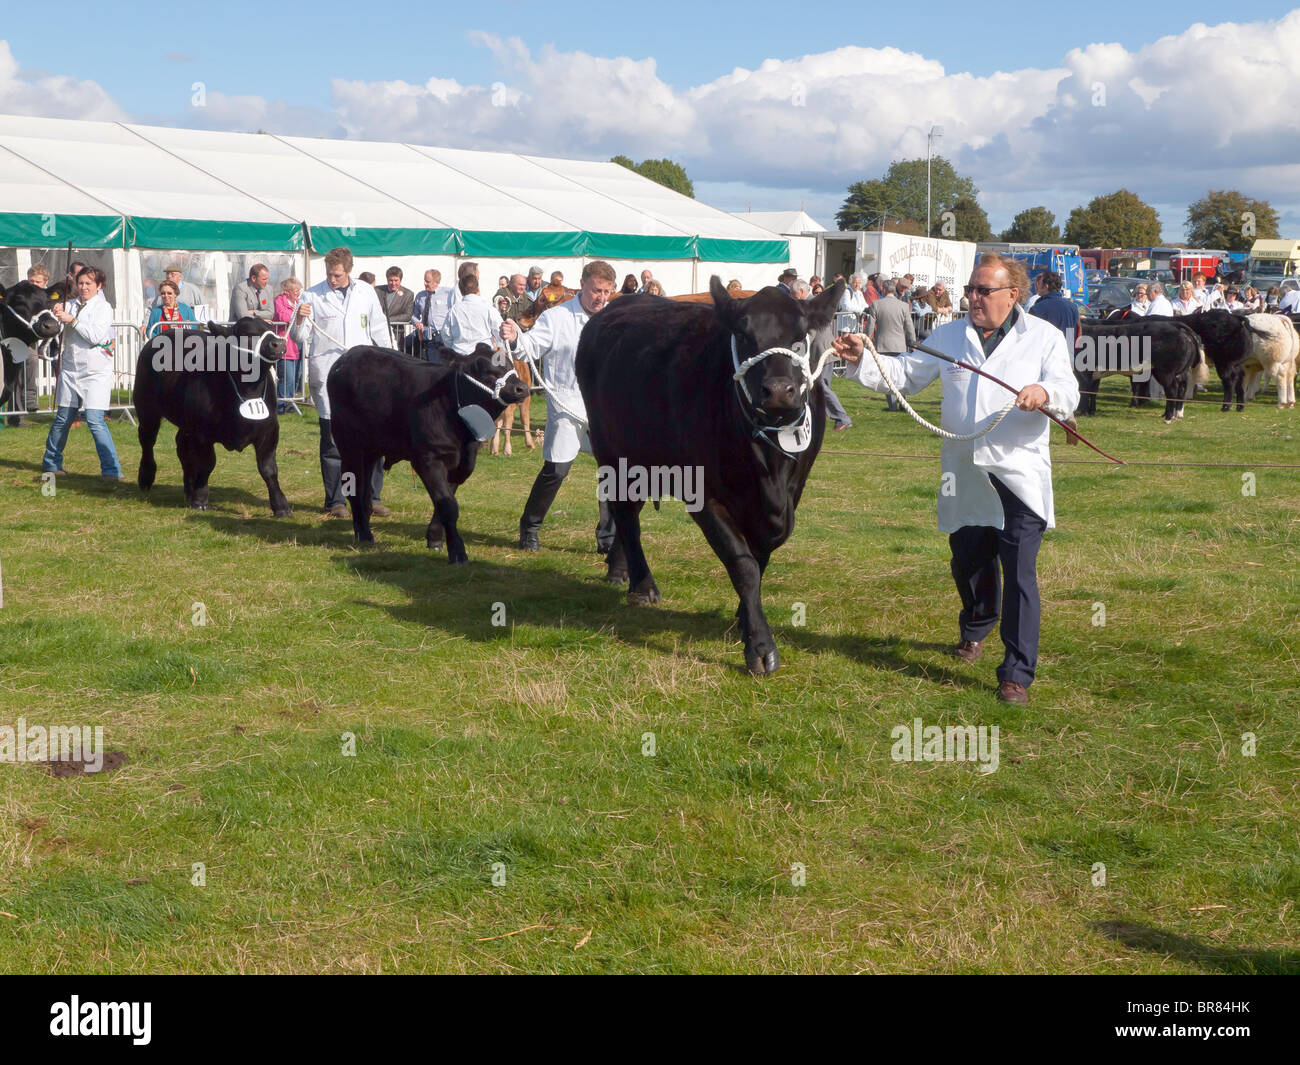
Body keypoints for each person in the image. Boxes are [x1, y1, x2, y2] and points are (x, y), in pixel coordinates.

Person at [832, 253, 1079, 705]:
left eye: (984, 290)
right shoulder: (949, 334)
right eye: (971, 288)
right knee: (968, 559)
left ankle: (1016, 675)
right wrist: (861, 360)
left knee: (1020, 572)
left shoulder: (1041, 337)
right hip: (962, 472)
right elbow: (905, 375)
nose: (973, 297)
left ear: (1013, 295)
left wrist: (1045, 392)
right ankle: (977, 625)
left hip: (1017, 473)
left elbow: (1068, 388)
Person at [502, 261, 618, 552]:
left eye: (605, 291)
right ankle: (530, 527)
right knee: (557, 469)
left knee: (613, 471)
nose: (600, 297)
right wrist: (516, 338)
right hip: (567, 403)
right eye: (595, 290)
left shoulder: (617, 318)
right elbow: (531, 347)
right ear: (582, 285)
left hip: (605, 407)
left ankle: (609, 538)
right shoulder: (557, 317)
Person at [290, 247, 393, 518]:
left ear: (348, 271)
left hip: (364, 376)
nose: (332, 279)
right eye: (329, 274)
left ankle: (373, 497)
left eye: (336, 274)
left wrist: (392, 362)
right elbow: (299, 336)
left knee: (373, 439)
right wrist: (300, 316)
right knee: (336, 442)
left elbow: (379, 328)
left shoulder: (366, 292)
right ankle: (337, 500)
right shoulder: (312, 294)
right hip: (329, 376)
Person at [42, 266, 124, 481]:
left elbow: (96, 336)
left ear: (99, 286)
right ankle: (51, 463)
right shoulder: (70, 304)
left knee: (95, 420)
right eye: (81, 283)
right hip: (70, 369)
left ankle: (111, 470)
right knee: (63, 418)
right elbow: (56, 329)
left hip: (95, 372)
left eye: (89, 283)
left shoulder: (104, 308)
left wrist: (72, 320)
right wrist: (56, 314)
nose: (84, 287)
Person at [864, 277, 916, 411]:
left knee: (887, 376)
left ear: (884, 290)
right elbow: (909, 327)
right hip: (900, 345)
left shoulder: (876, 304)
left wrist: (867, 341)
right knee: (901, 375)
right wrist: (913, 343)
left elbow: (870, 327)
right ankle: (903, 404)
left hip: (883, 345)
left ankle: (892, 406)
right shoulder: (904, 306)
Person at [440, 274, 503, 355]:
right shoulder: (488, 309)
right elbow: (500, 332)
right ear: (477, 288)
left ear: (461, 290)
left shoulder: (454, 310)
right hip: (483, 357)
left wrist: (453, 347)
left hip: (460, 357)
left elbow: (446, 334)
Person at [1028, 271, 1080, 357]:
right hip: (1068, 356)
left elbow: (1030, 337)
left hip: (1045, 358)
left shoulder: (1037, 309)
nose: (1037, 287)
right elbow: (1078, 333)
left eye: (1039, 284)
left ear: (1046, 286)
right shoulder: (1073, 308)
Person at [409, 268, 454, 362]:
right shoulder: (420, 296)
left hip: (444, 336)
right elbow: (413, 315)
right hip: (428, 338)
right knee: (433, 366)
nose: (425, 283)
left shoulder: (448, 293)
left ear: (436, 282)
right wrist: (417, 322)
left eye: (428, 281)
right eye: (424, 281)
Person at [273, 277, 302, 414]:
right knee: (287, 376)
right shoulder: (279, 301)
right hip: (286, 346)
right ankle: (280, 405)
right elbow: (282, 316)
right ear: (286, 291)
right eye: (295, 290)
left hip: (297, 346)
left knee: (296, 376)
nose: (298, 293)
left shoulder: (298, 303)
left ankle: (290, 403)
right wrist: (298, 315)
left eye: (299, 290)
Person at [377, 267, 414, 332]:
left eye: (396, 280)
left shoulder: (408, 294)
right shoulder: (377, 290)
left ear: (401, 280)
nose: (393, 283)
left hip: (396, 333)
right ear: (387, 279)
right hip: (378, 331)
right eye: (391, 280)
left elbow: (407, 315)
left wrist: (387, 320)